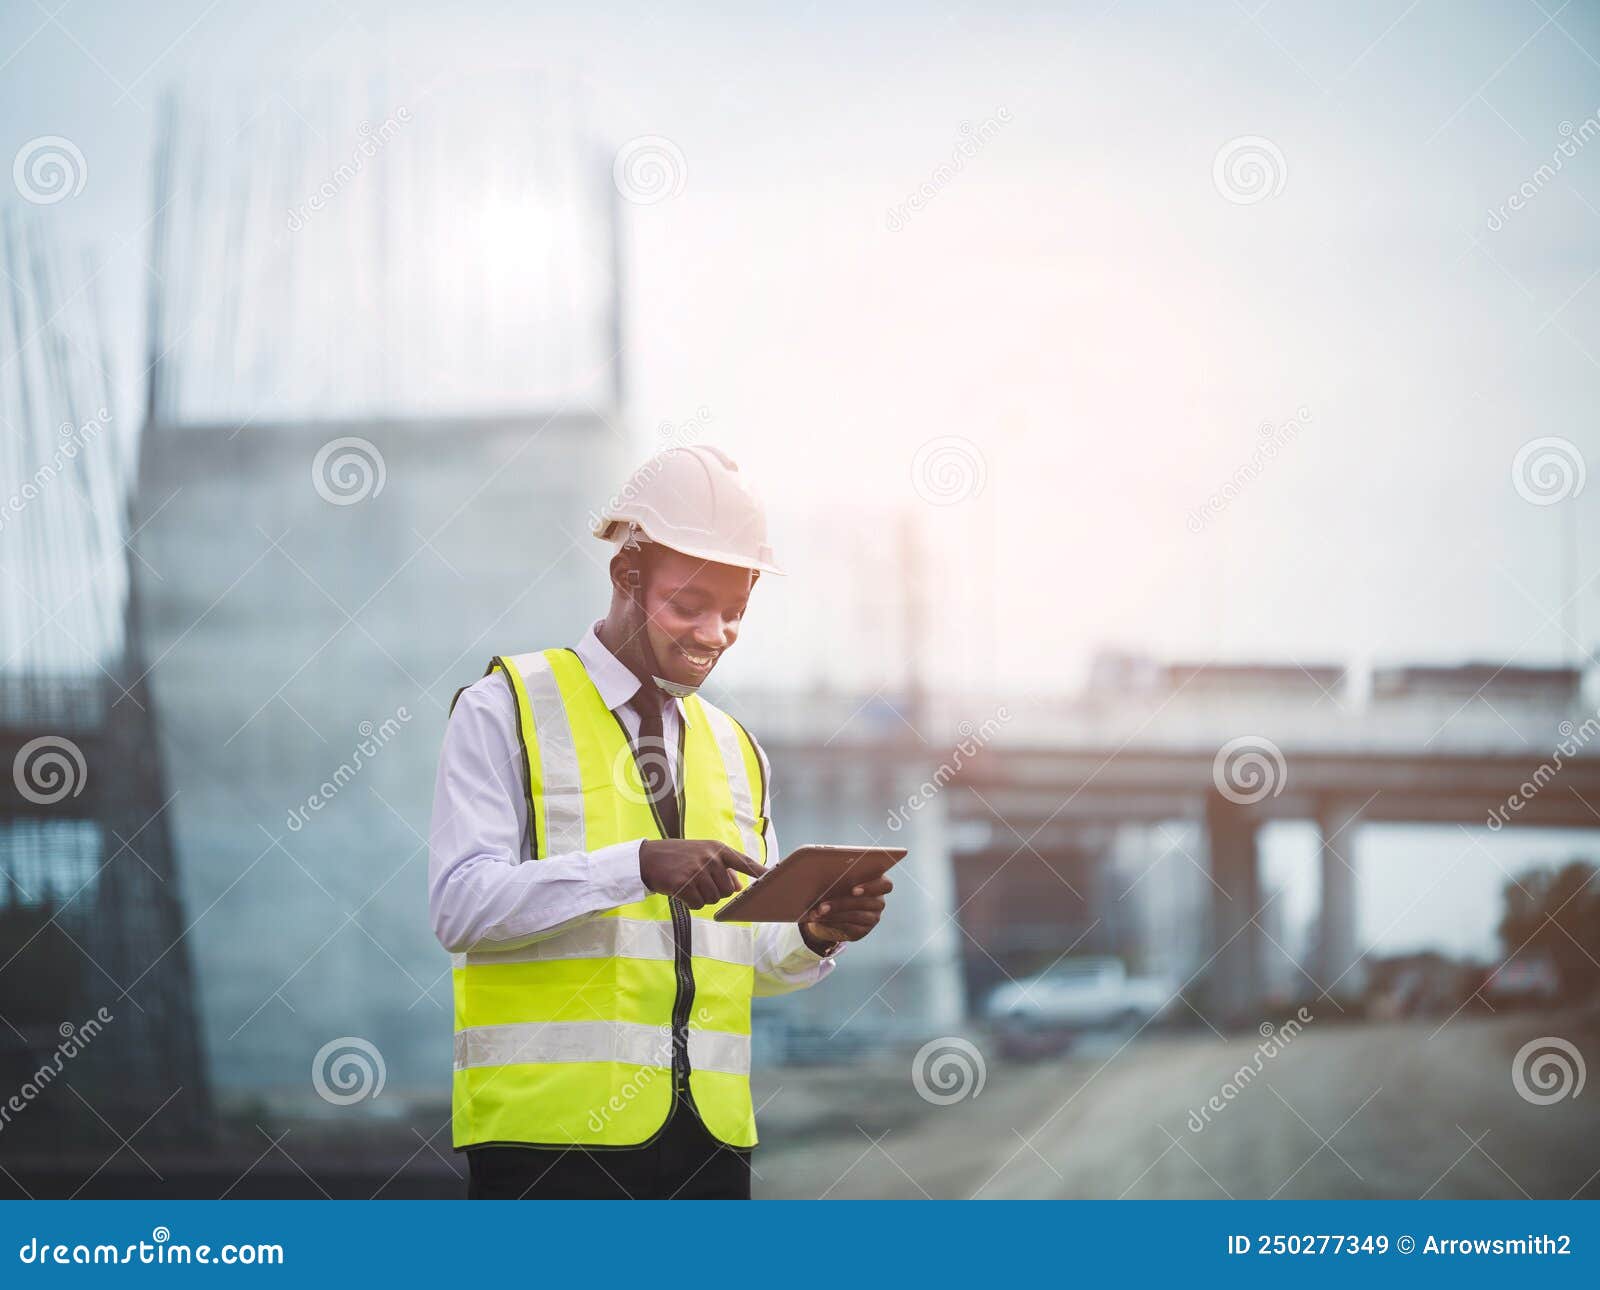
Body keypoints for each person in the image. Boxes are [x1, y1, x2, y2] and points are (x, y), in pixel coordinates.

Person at [427, 444, 893, 1199]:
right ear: (626, 577)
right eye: (689, 604)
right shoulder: (505, 707)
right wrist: (636, 864)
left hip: (709, 1150)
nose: (714, 633)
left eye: (736, 613)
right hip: (547, 1149)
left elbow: (747, 963)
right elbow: (460, 907)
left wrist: (815, 933)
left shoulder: (737, 750)